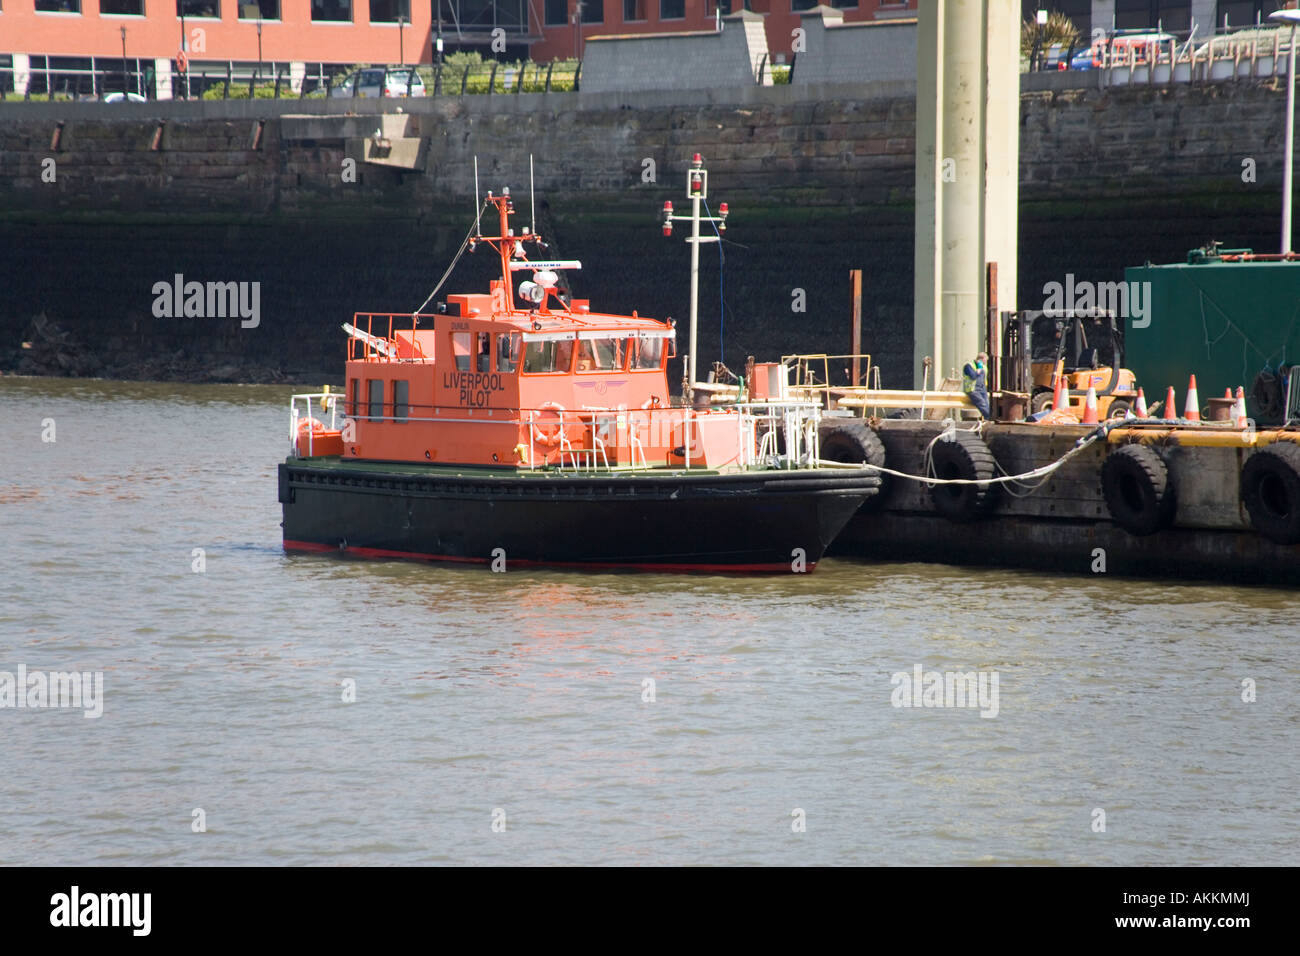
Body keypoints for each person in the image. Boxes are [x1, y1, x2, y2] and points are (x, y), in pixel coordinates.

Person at [962, 352, 991, 419]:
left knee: (987, 405)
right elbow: (973, 376)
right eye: (985, 360)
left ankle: (989, 418)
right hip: (973, 389)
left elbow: (984, 379)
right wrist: (978, 370)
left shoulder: (984, 367)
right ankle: (990, 419)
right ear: (981, 359)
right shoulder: (969, 366)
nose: (986, 362)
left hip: (982, 389)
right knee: (982, 404)